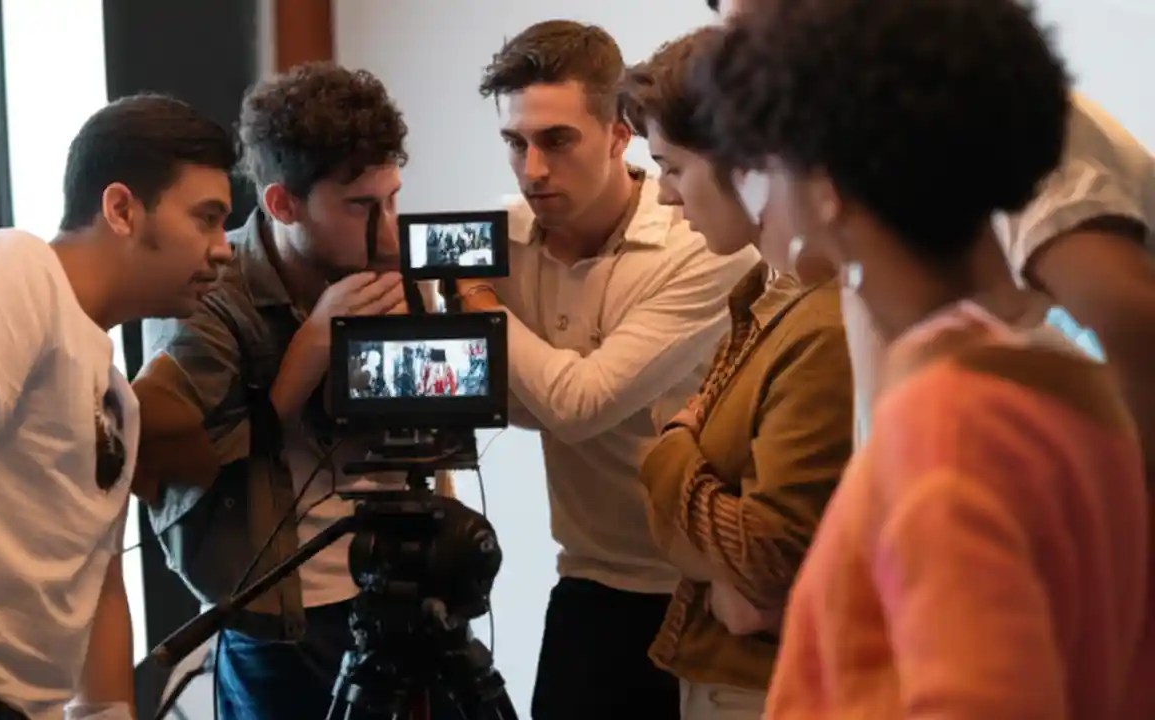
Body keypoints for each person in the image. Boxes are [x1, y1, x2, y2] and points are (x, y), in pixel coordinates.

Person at [695, 0, 1153, 716]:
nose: (757, 197)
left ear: (828, 189)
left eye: (766, 165)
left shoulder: (948, 431)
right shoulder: (1075, 398)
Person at [0, 94, 236, 719]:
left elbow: (97, 580)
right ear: (122, 209)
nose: (224, 248)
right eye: (206, 218)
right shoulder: (14, 267)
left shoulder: (115, 397)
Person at [131, 63, 458, 720]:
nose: (391, 231)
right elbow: (164, 462)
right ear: (282, 203)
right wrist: (305, 356)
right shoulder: (209, 291)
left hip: (407, 596)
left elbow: (434, 446)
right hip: (279, 616)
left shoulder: (396, 269)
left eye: (394, 198)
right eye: (363, 208)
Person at [460, 19, 758, 720]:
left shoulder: (701, 241)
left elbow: (576, 405)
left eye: (557, 140)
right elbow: (499, 401)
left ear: (620, 134)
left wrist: (479, 307)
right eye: (515, 143)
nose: (532, 169)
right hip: (588, 580)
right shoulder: (498, 237)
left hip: (703, 591)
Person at [622, 28, 853, 719]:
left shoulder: (828, 325)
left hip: (773, 689)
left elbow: (764, 564)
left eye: (671, 167)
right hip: (731, 672)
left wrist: (666, 454)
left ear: (747, 164)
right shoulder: (765, 287)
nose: (663, 197)